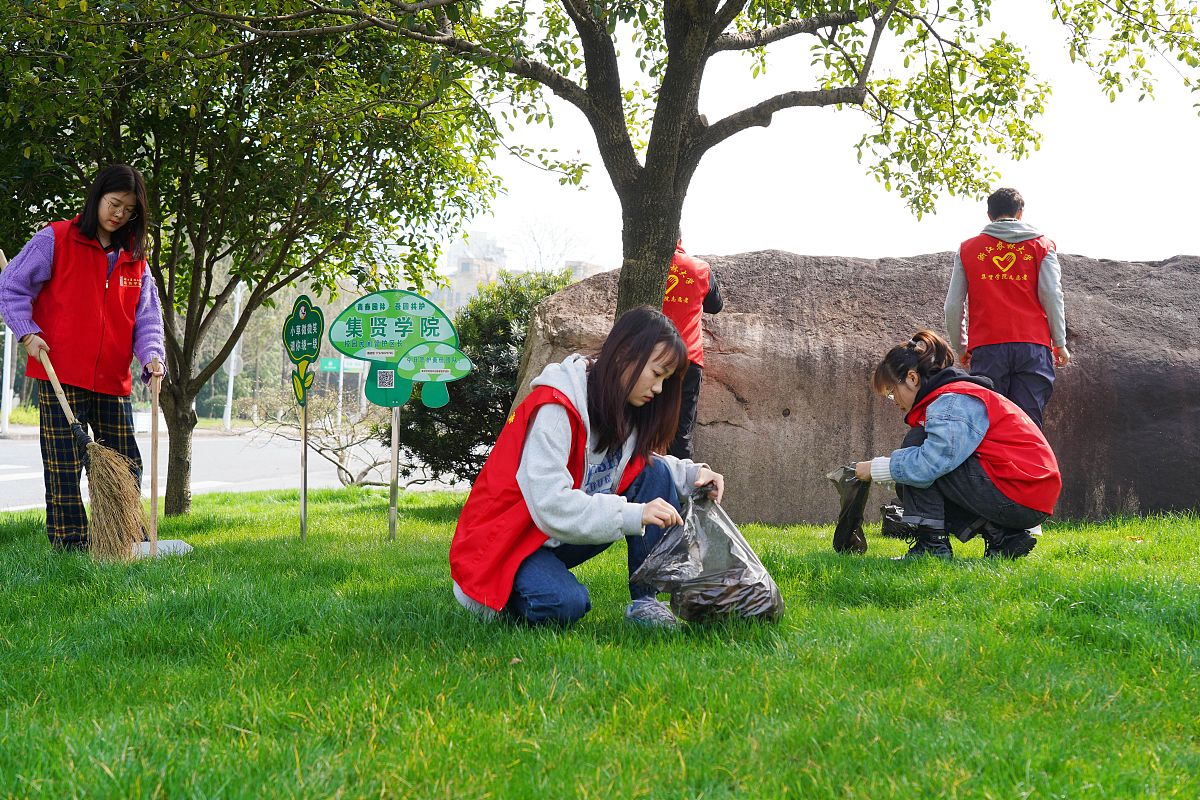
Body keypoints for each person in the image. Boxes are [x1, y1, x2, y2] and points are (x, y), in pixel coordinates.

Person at [449, 306, 725, 628]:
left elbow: (644, 464)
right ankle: (511, 591)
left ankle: (647, 603)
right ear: (625, 354)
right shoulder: (556, 406)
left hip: (552, 537)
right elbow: (550, 504)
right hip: (509, 544)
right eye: (656, 373)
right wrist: (632, 514)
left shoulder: (622, 408)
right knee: (565, 605)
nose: (659, 389)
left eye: (665, 379)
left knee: (658, 474)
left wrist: (693, 474)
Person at [0, 164, 165, 551]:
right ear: (97, 198)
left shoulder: (134, 259)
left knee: (126, 462)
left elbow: (147, 318)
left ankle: (124, 538)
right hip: (60, 370)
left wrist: (152, 356)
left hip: (112, 378)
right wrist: (27, 331)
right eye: (114, 203)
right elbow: (11, 286)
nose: (119, 214)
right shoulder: (56, 239)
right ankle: (71, 543)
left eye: (128, 209)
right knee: (63, 464)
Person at [853, 330, 1061, 560]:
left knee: (916, 455)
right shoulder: (957, 395)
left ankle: (932, 546)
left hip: (1021, 493)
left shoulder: (951, 402)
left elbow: (930, 464)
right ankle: (1001, 536)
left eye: (892, 392)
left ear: (912, 378)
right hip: (1026, 491)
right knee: (911, 461)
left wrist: (875, 468)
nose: (895, 402)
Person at [944, 187, 1070, 430]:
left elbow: (953, 304)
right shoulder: (1042, 246)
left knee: (988, 425)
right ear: (1020, 213)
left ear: (989, 215)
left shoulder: (968, 249)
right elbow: (1052, 294)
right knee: (1028, 426)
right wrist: (1059, 342)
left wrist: (961, 346)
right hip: (1033, 347)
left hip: (988, 348)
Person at [661, 237, 722, 459]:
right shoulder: (700, 268)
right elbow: (716, 305)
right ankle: (683, 489)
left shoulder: (650, 268)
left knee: (642, 427)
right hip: (688, 358)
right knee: (681, 433)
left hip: (651, 359)